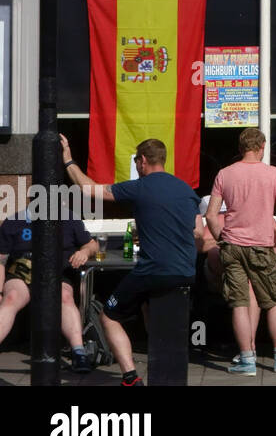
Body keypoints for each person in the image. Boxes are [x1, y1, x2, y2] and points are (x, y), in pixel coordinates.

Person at [63, 135, 201, 385]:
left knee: (109, 315)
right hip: (185, 272)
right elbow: (199, 232)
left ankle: (130, 377)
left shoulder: (140, 187)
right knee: (152, 308)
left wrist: (68, 159)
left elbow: (87, 189)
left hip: (152, 271)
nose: (137, 166)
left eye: (137, 161)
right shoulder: (186, 190)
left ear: (143, 161)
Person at [206, 127, 276, 375]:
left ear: (240, 148)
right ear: (262, 148)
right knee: (272, 301)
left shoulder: (224, 174)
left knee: (238, 302)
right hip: (262, 245)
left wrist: (222, 239)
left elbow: (211, 215)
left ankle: (247, 359)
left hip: (233, 245)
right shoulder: (274, 174)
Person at [0, 166, 98, 373]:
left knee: (64, 297)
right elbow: (0, 260)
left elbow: (92, 244)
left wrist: (85, 252)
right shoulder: (14, 222)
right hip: (22, 274)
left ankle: (79, 352)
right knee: (10, 298)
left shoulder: (68, 219)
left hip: (57, 274)